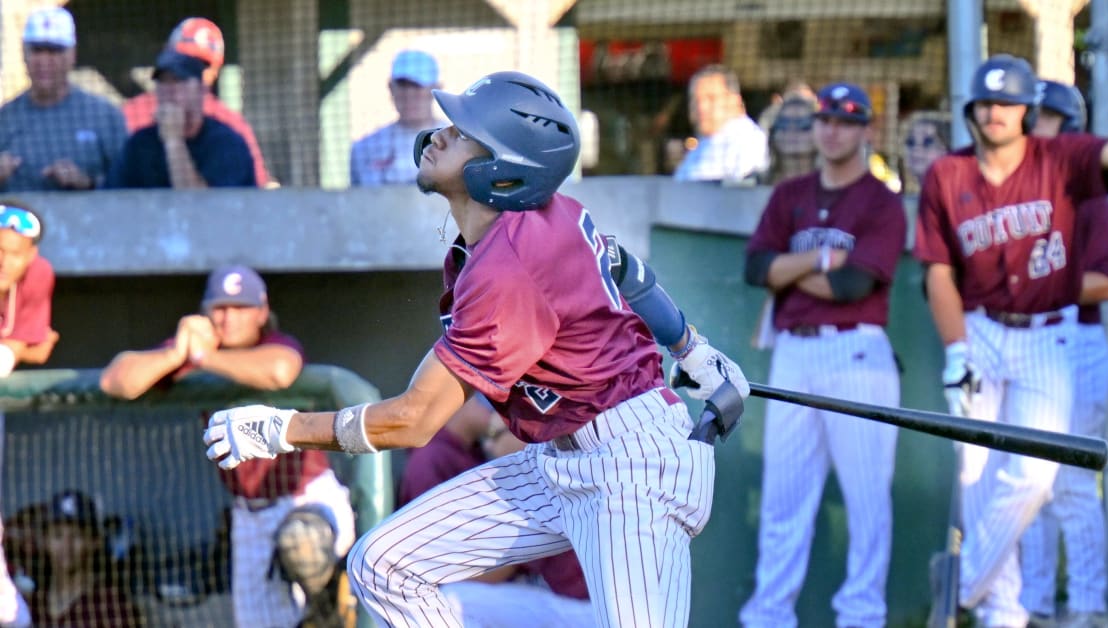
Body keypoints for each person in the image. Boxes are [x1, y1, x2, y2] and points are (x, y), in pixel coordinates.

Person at [201, 70, 750, 627]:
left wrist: (284, 428)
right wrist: (692, 350)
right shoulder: (547, 215)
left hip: (633, 468)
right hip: (561, 459)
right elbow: (628, 271)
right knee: (383, 565)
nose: (440, 134)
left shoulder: (509, 266)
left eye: (464, 133)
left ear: (503, 171)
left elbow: (411, 421)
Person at [913, 53, 1108, 628]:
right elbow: (938, 272)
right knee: (976, 473)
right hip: (982, 329)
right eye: (986, 103)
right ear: (972, 111)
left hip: (1052, 334)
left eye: (1010, 104)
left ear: (1028, 112)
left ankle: (963, 586)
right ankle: (1001, 611)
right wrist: (956, 350)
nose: (996, 113)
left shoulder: (1062, 162)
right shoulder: (948, 173)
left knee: (1037, 474)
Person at [98, 265, 355, 628]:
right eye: (220, 308)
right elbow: (115, 380)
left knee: (303, 543)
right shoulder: (195, 352)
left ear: (262, 312)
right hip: (249, 514)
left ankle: (331, 606)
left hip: (306, 499)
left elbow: (280, 370)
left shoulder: (273, 344)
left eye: (240, 307)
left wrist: (203, 358)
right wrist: (178, 354)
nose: (229, 318)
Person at [738, 82, 906, 628]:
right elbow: (756, 269)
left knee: (866, 499)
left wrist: (790, 269)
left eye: (847, 121)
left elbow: (853, 285)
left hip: (856, 352)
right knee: (783, 497)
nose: (833, 130)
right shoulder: (791, 194)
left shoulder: (881, 202)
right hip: (794, 353)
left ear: (866, 131)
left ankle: (862, 616)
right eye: (826, 119)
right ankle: (769, 616)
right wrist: (821, 259)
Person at [1018, 79, 1108, 628]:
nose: (1031, 125)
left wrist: (1030, 288)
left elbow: (1107, 281)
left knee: (1071, 481)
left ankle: (1087, 608)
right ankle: (1033, 605)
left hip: (1075, 340)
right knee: (1027, 478)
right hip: (1022, 342)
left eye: (1044, 117)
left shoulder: (1088, 195)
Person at [396, 394, 595, 627]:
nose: (491, 443)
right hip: (559, 596)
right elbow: (438, 568)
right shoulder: (432, 458)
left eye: (497, 434)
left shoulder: (556, 456)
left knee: (460, 599)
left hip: (590, 603)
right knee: (454, 599)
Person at [123, 17, 273, 187]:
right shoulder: (134, 112)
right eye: (184, 60)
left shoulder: (231, 125)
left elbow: (259, 188)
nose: (197, 70)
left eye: (204, 65)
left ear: (216, 70)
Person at [0, 7, 126, 192]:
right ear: (24, 55)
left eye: (54, 51)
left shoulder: (104, 116)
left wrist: (87, 183)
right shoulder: (5, 118)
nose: (44, 61)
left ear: (71, 55)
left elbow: (130, 188)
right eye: (37, 50)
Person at [106, 47, 255, 188]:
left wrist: (173, 140)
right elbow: (110, 196)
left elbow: (201, 203)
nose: (169, 89)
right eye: (163, 81)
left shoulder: (226, 142)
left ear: (202, 89)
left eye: (178, 80)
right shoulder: (140, 143)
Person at [29, 490, 142, 627]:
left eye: (77, 536)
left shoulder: (113, 607)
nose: (67, 546)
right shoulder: (31, 604)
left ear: (95, 542)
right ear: (44, 541)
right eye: (57, 536)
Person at [350, 50, 442, 186]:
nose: (409, 95)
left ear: (436, 90)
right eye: (403, 85)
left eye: (417, 86)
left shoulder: (454, 141)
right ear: (391, 88)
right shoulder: (365, 149)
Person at [673, 65, 768, 183]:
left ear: (734, 101)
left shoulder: (749, 141)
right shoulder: (702, 146)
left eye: (711, 98)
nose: (702, 107)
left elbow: (744, 190)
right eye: (697, 100)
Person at [0, 202, 58, 377]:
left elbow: (8, 355)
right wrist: (25, 353)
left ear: (31, 255)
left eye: (15, 254)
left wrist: (15, 350)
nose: (4, 263)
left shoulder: (38, 273)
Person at [762, 95, 818, 184]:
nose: (792, 130)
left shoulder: (835, 186)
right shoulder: (754, 185)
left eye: (802, 123)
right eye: (784, 123)